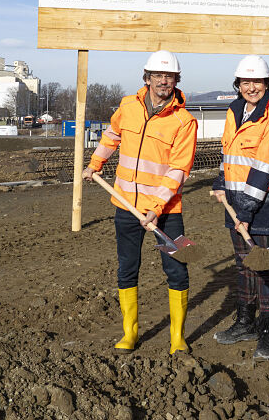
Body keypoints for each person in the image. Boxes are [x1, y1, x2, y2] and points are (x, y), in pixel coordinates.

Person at [82, 50, 198, 355]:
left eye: (169, 76)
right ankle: (129, 333)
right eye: (157, 75)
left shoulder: (184, 121)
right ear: (147, 77)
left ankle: (177, 338)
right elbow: (111, 136)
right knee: (127, 268)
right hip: (125, 205)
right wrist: (95, 163)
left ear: (176, 80)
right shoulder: (127, 106)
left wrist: (156, 208)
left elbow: (178, 170)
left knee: (177, 269)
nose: (163, 81)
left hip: (168, 211)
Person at [211, 55, 269, 359]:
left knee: (265, 268)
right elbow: (229, 153)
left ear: (267, 84)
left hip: (264, 207)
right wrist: (221, 181)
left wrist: (244, 213)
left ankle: (267, 332)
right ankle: (245, 323)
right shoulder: (234, 113)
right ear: (238, 84)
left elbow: (262, 172)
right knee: (244, 266)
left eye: (257, 82)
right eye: (246, 82)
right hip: (236, 205)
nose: (251, 87)